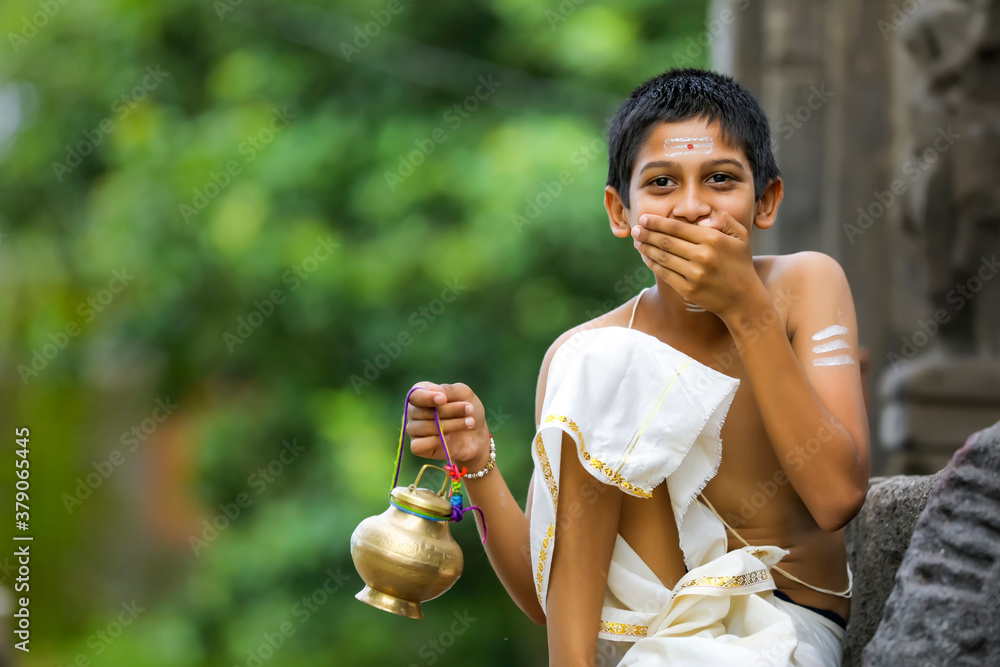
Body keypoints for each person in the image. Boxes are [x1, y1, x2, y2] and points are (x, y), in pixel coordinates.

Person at [404, 68, 870, 666]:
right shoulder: (587, 357)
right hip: (632, 642)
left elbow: (836, 497)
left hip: (776, 632)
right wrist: (476, 465)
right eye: (662, 183)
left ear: (766, 201)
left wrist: (745, 307)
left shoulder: (806, 286)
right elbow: (555, 597)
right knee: (602, 360)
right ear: (620, 212)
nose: (694, 207)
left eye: (722, 179)